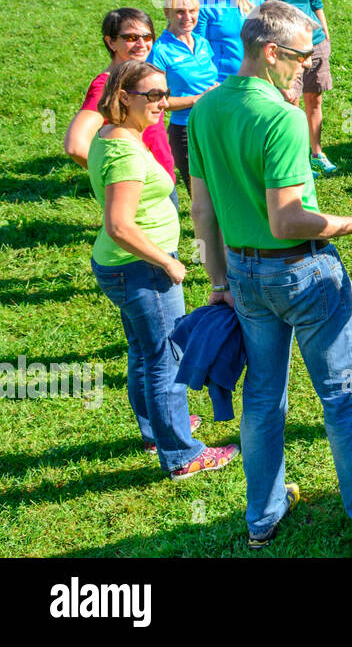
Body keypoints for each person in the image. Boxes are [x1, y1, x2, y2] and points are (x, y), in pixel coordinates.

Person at [187, 0, 352, 556]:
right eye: (303, 57)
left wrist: (219, 280)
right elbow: (287, 217)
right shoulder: (281, 118)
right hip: (304, 270)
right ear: (271, 53)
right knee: (344, 396)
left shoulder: (204, 110)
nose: (309, 68)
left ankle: (263, 515)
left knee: (263, 398)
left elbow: (202, 211)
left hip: (244, 274)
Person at [87, 60, 239, 479]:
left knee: (144, 351)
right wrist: (167, 261)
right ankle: (182, 454)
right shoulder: (124, 154)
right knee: (164, 360)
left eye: (164, 93)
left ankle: (157, 428)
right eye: (152, 96)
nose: (162, 103)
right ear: (123, 98)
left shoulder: (109, 134)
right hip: (142, 270)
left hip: (121, 268)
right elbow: (119, 225)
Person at [248, 0, 338, 176]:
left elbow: (315, 1)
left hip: (314, 41)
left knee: (315, 98)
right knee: (290, 100)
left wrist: (326, 35)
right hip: (287, 46)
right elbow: (257, 10)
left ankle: (317, 153)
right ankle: (296, 156)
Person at [65, 8, 177, 207]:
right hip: (145, 189)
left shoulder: (140, 76)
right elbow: (75, 144)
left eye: (147, 36)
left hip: (161, 180)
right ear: (111, 42)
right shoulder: (107, 85)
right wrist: (117, 176)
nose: (141, 44)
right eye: (131, 37)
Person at [147, 0, 219, 193]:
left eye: (192, 11)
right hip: (187, 131)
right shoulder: (159, 51)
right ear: (166, 13)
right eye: (179, 11)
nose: (187, 17)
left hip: (215, 125)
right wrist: (197, 99)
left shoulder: (203, 43)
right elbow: (157, 102)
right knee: (202, 198)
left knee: (224, 191)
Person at [196, 0, 264, 81]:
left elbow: (268, 37)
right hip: (222, 81)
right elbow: (199, 51)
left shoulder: (254, 0)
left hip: (254, 79)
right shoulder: (203, 7)